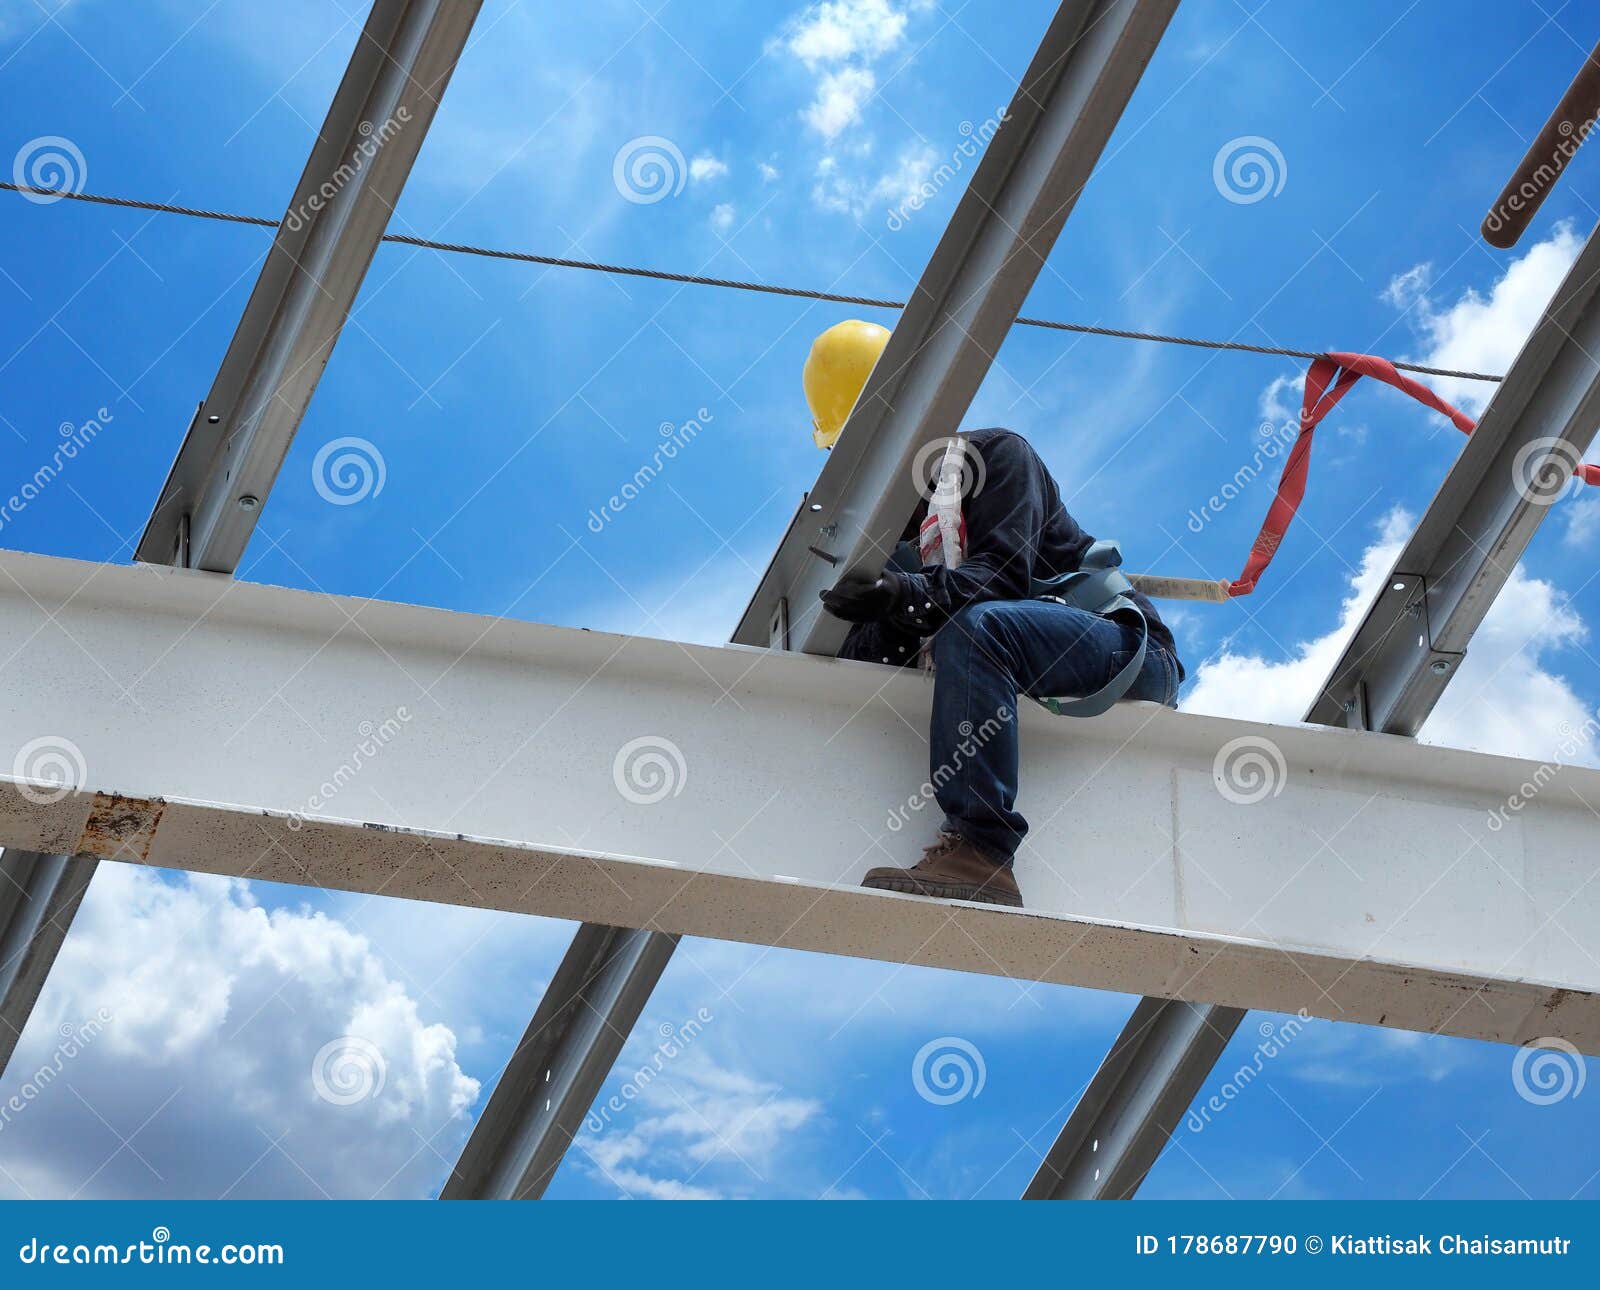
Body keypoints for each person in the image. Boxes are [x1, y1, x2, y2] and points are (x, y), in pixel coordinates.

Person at [804, 328, 1184, 911]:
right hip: (1014, 660)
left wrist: (898, 595)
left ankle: (983, 852)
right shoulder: (895, 541)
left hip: (1120, 651)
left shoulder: (994, 458)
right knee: (968, 630)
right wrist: (876, 609)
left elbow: (999, 579)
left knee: (980, 627)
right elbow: (874, 660)